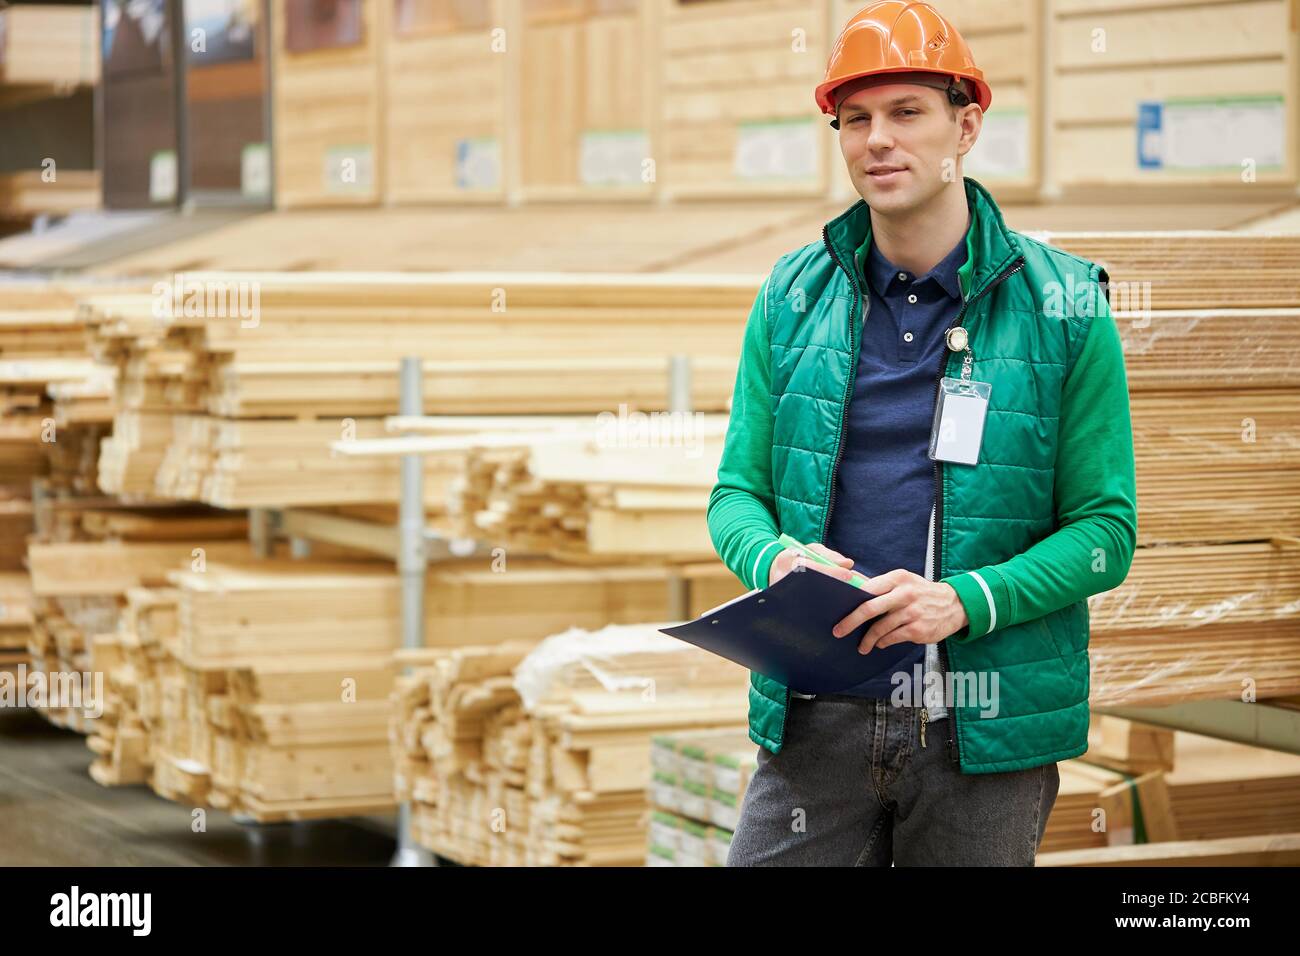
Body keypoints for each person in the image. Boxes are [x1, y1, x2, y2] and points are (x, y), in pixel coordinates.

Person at [708, 0, 1138, 866]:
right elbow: (736, 497)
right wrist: (774, 562)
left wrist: (964, 602)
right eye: (855, 119)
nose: (878, 141)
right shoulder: (790, 298)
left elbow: (1105, 534)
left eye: (907, 113)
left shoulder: (1064, 305)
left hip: (979, 727)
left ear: (966, 124)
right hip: (815, 713)